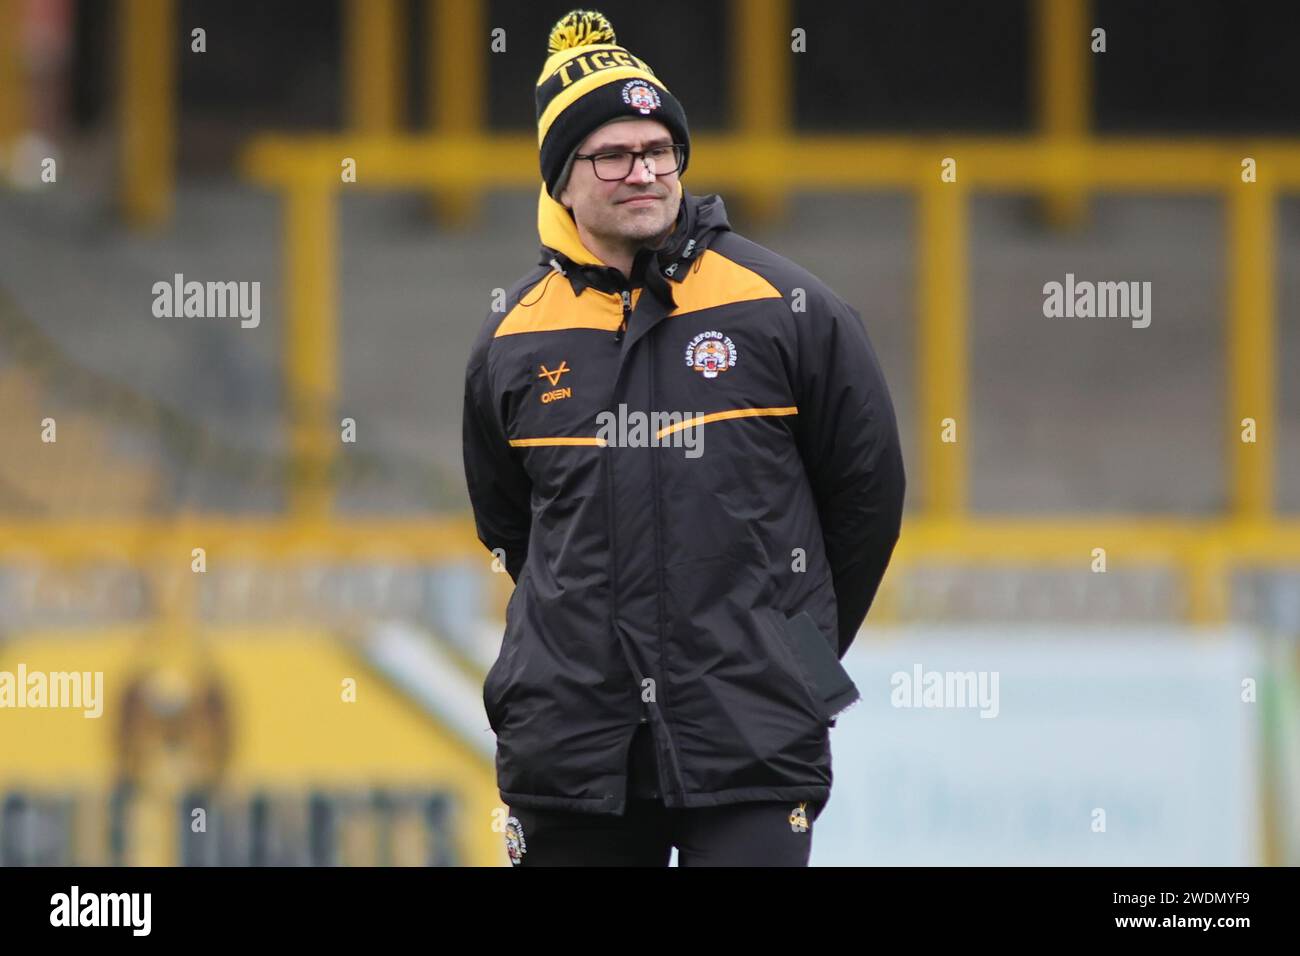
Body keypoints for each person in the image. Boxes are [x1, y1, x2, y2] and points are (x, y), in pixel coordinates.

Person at [462, 9, 905, 866]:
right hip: (572, 752)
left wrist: (790, 649)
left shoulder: (787, 308)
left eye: (659, 148)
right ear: (562, 177)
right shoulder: (510, 338)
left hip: (751, 739)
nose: (645, 172)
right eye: (614, 154)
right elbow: (513, 528)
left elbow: (867, 499)